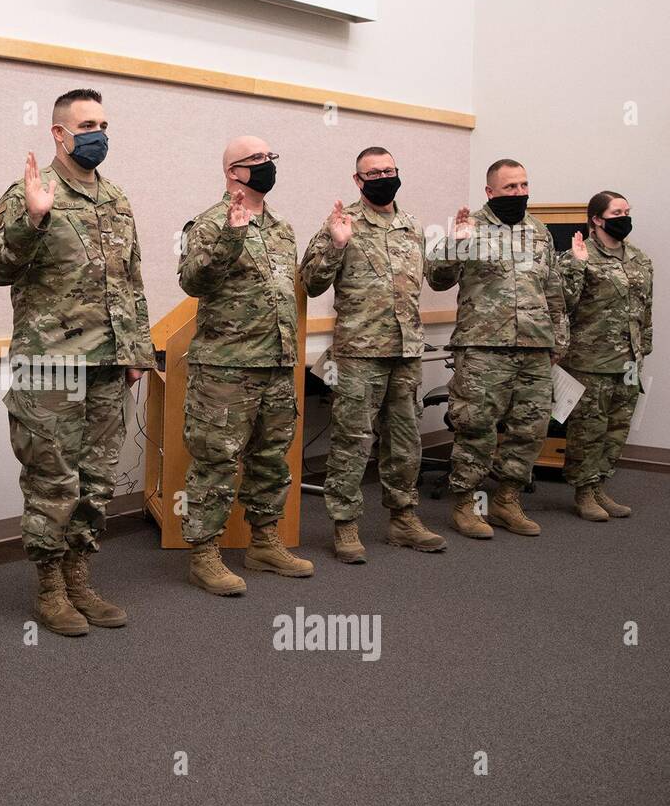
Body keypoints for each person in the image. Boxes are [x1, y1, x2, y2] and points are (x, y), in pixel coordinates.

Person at [0, 88, 154, 636]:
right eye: (85, 124)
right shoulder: (30, 193)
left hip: (107, 366)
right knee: (53, 482)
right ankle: (50, 588)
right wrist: (30, 221)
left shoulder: (117, 199)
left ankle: (80, 576)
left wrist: (136, 350)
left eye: (103, 123)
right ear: (58, 133)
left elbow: (131, 281)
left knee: (97, 481)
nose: (97, 133)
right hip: (50, 368)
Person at [179, 135, 312, 594]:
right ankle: (204, 554)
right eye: (256, 159)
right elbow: (192, 282)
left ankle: (264, 542)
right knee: (215, 462)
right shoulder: (209, 222)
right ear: (233, 171)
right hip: (226, 368)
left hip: (276, 364)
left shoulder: (282, 227)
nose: (267, 164)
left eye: (270, 157)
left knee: (271, 460)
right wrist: (231, 239)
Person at [300, 147, 446, 563]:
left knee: (405, 440)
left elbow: (434, 280)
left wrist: (456, 247)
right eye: (373, 172)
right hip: (360, 352)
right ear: (357, 180)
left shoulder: (411, 225)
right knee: (351, 441)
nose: (383, 176)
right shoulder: (341, 222)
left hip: (406, 350)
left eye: (389, 170)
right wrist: (335, 243)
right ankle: (345, 526)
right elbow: (310, 282)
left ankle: (403, 518)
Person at [427, 158, 568, 538]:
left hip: (535, 346)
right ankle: (467, 505)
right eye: (510, 187)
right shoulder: (469, 227)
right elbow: (437, 280)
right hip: (483, 348)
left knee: (531, 428)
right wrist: (454, 246)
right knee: (476, 428)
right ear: (490, 191)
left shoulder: (538, 231)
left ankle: (507, 500)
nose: (519, 193)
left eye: (524, 185)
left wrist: (559, 337)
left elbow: (552, 288)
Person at [560, 191, 652, 520]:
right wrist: (576, 266)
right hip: (590, 360)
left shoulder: (639, 259)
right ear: (597, 219)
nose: (625, 217)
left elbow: (645, 310)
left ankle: (600, 486)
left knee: (617, 426)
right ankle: (583, 492)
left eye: (628, 211)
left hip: (629, 361)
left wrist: (645, 348)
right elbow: (563, 305)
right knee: (588, 428)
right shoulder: (579, 255)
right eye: (617, 212)